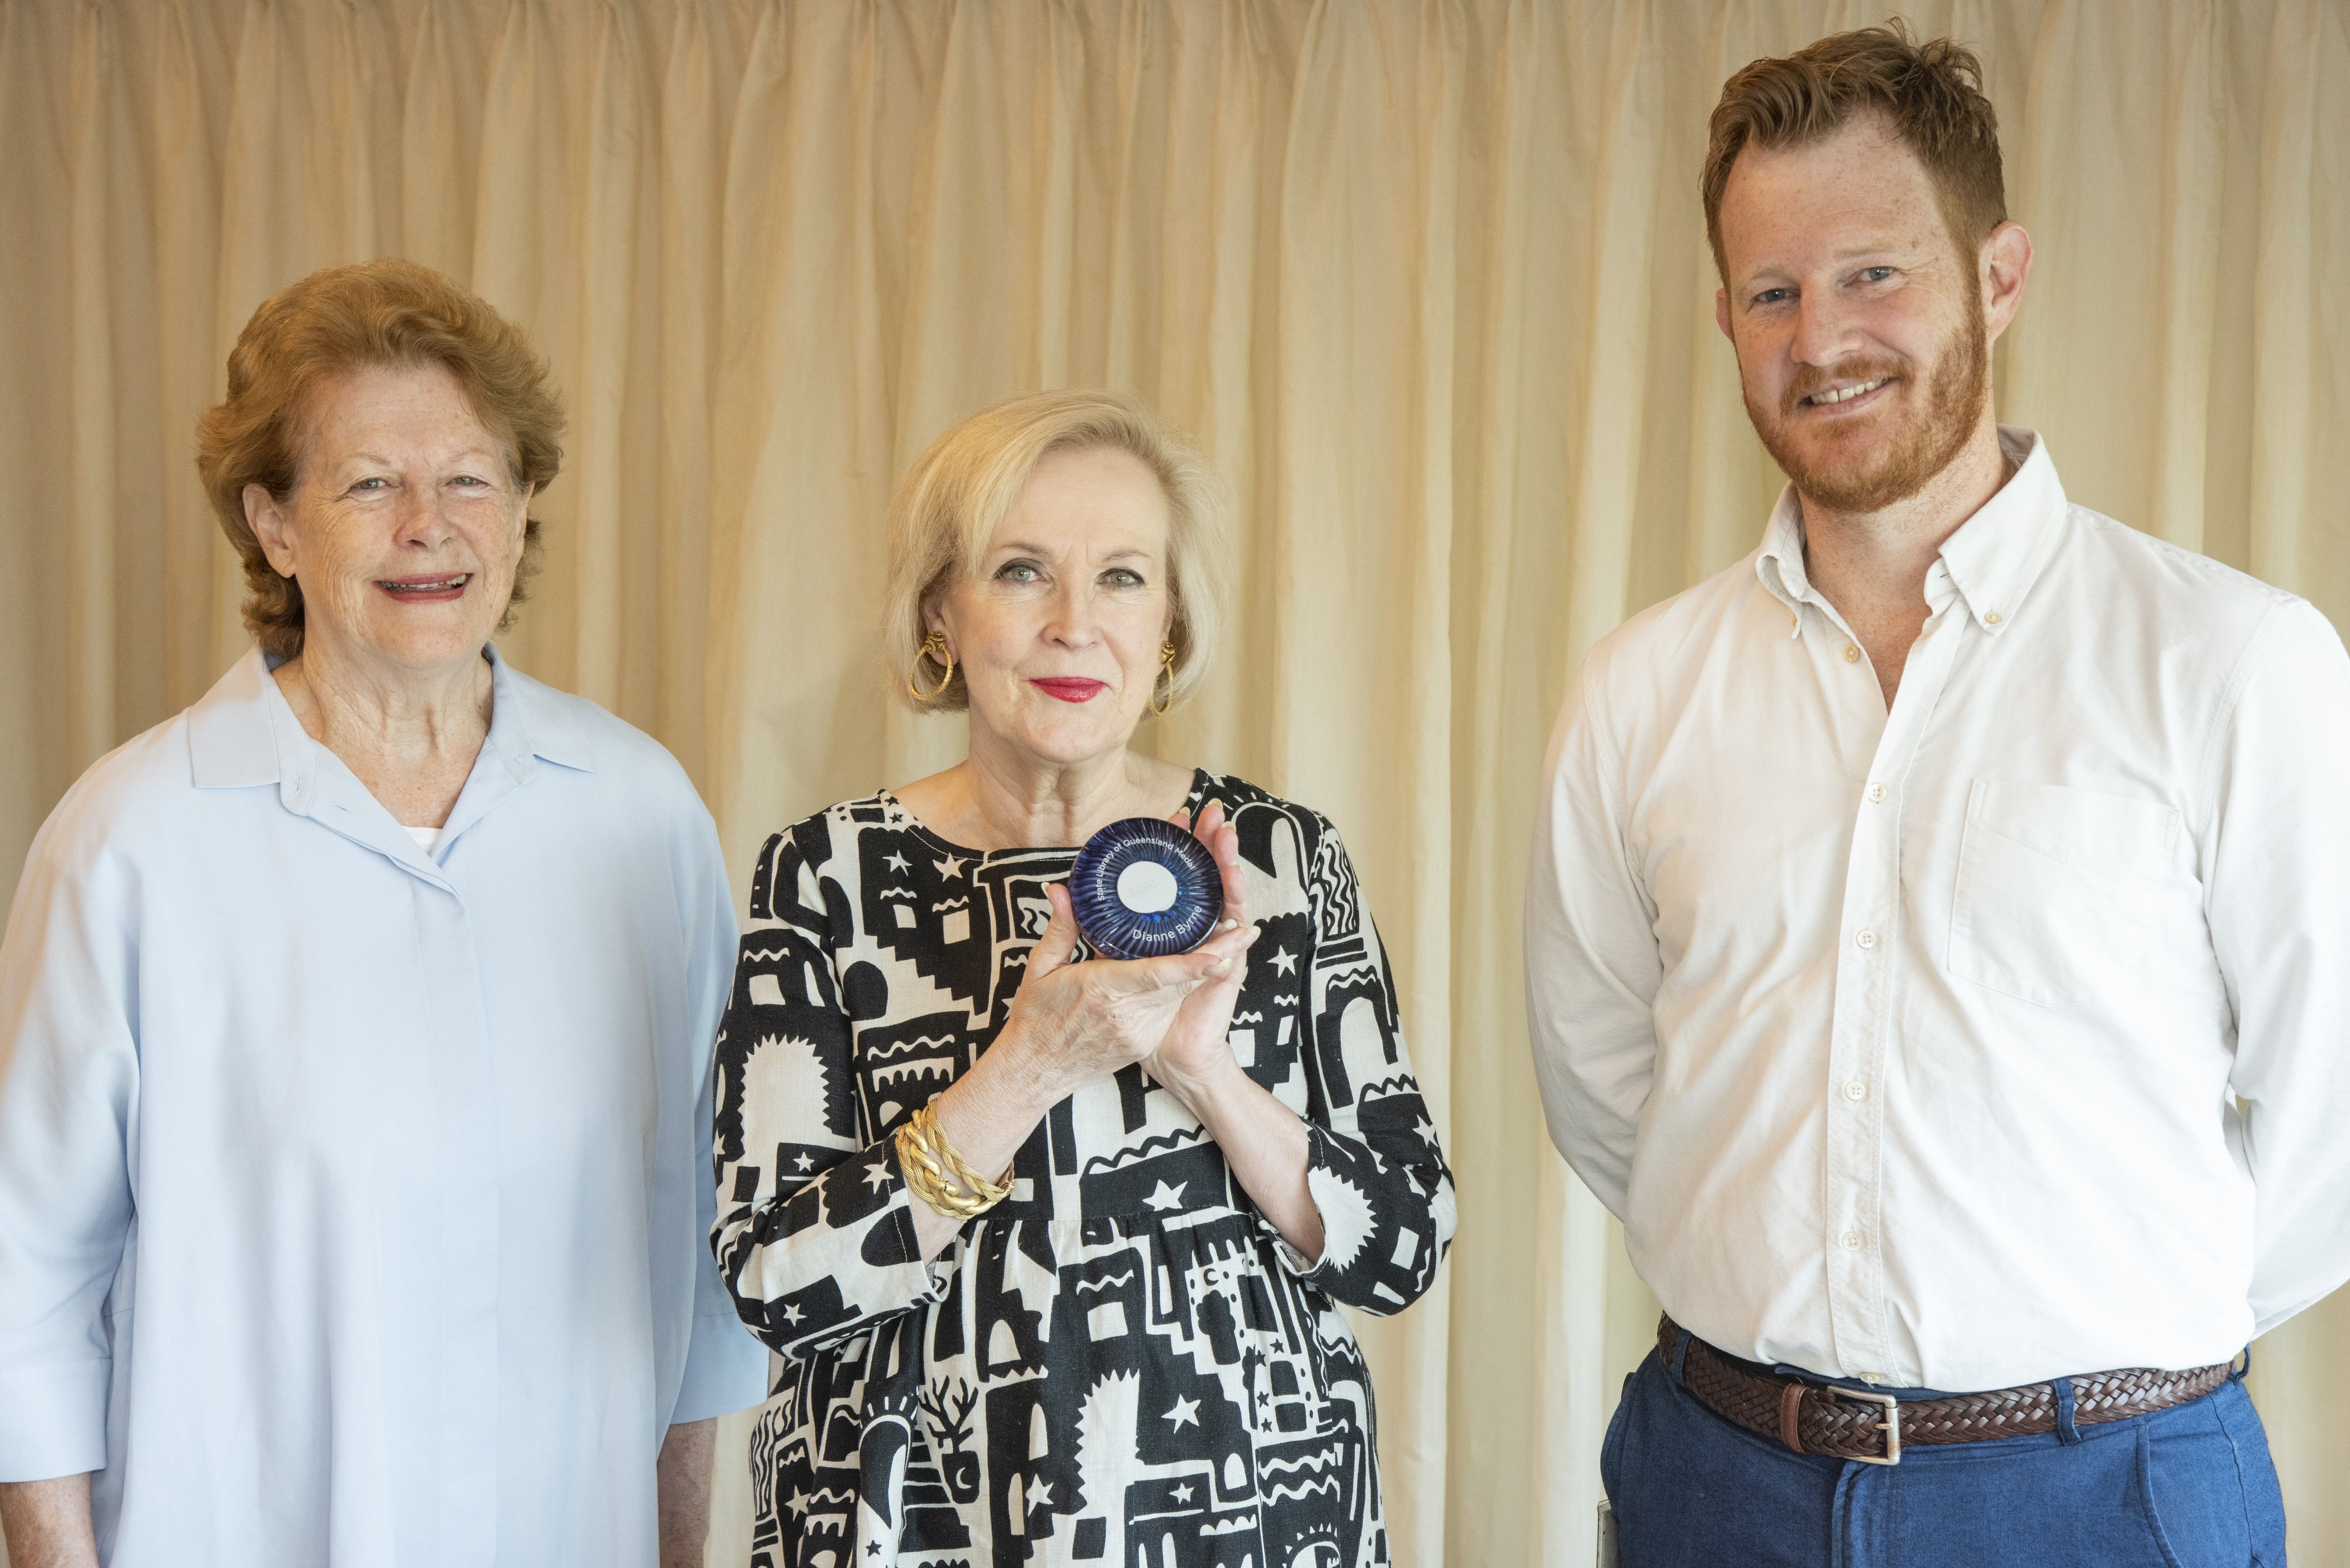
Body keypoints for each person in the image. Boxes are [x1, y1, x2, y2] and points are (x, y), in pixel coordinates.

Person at [1524, 24, 2337, 1566]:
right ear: (1726, 318)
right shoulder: (1638, 689)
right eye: (1774, 291)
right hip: (1719, 1479)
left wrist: (2098, 1344)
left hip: (2110, 1493)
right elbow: (1608, 1081)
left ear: (2000, 275)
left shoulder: (2235, 660)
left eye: (1875, 272)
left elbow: (2332, 1116)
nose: (1822, 337)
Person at [0, 260, 766, 1567]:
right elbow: (28, 1283)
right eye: (369, 483)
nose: (431, 524)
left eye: (471, 477)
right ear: (275, 526)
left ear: (523, 509)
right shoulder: (131, 836)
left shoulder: (641, 815)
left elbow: (697, 1253)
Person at [712, 388, 1453, 1567]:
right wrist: (1026, 1068)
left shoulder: (1282, 864)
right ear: (940, 615)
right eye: (1020, 571)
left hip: (1250, 1517)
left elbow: (1405, 1243)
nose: (1074, 622)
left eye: (1120, 576)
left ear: (1167, 624)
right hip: (916, 1523)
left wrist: (1207, 1070)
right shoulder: (826, 876)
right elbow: (777, 1280)